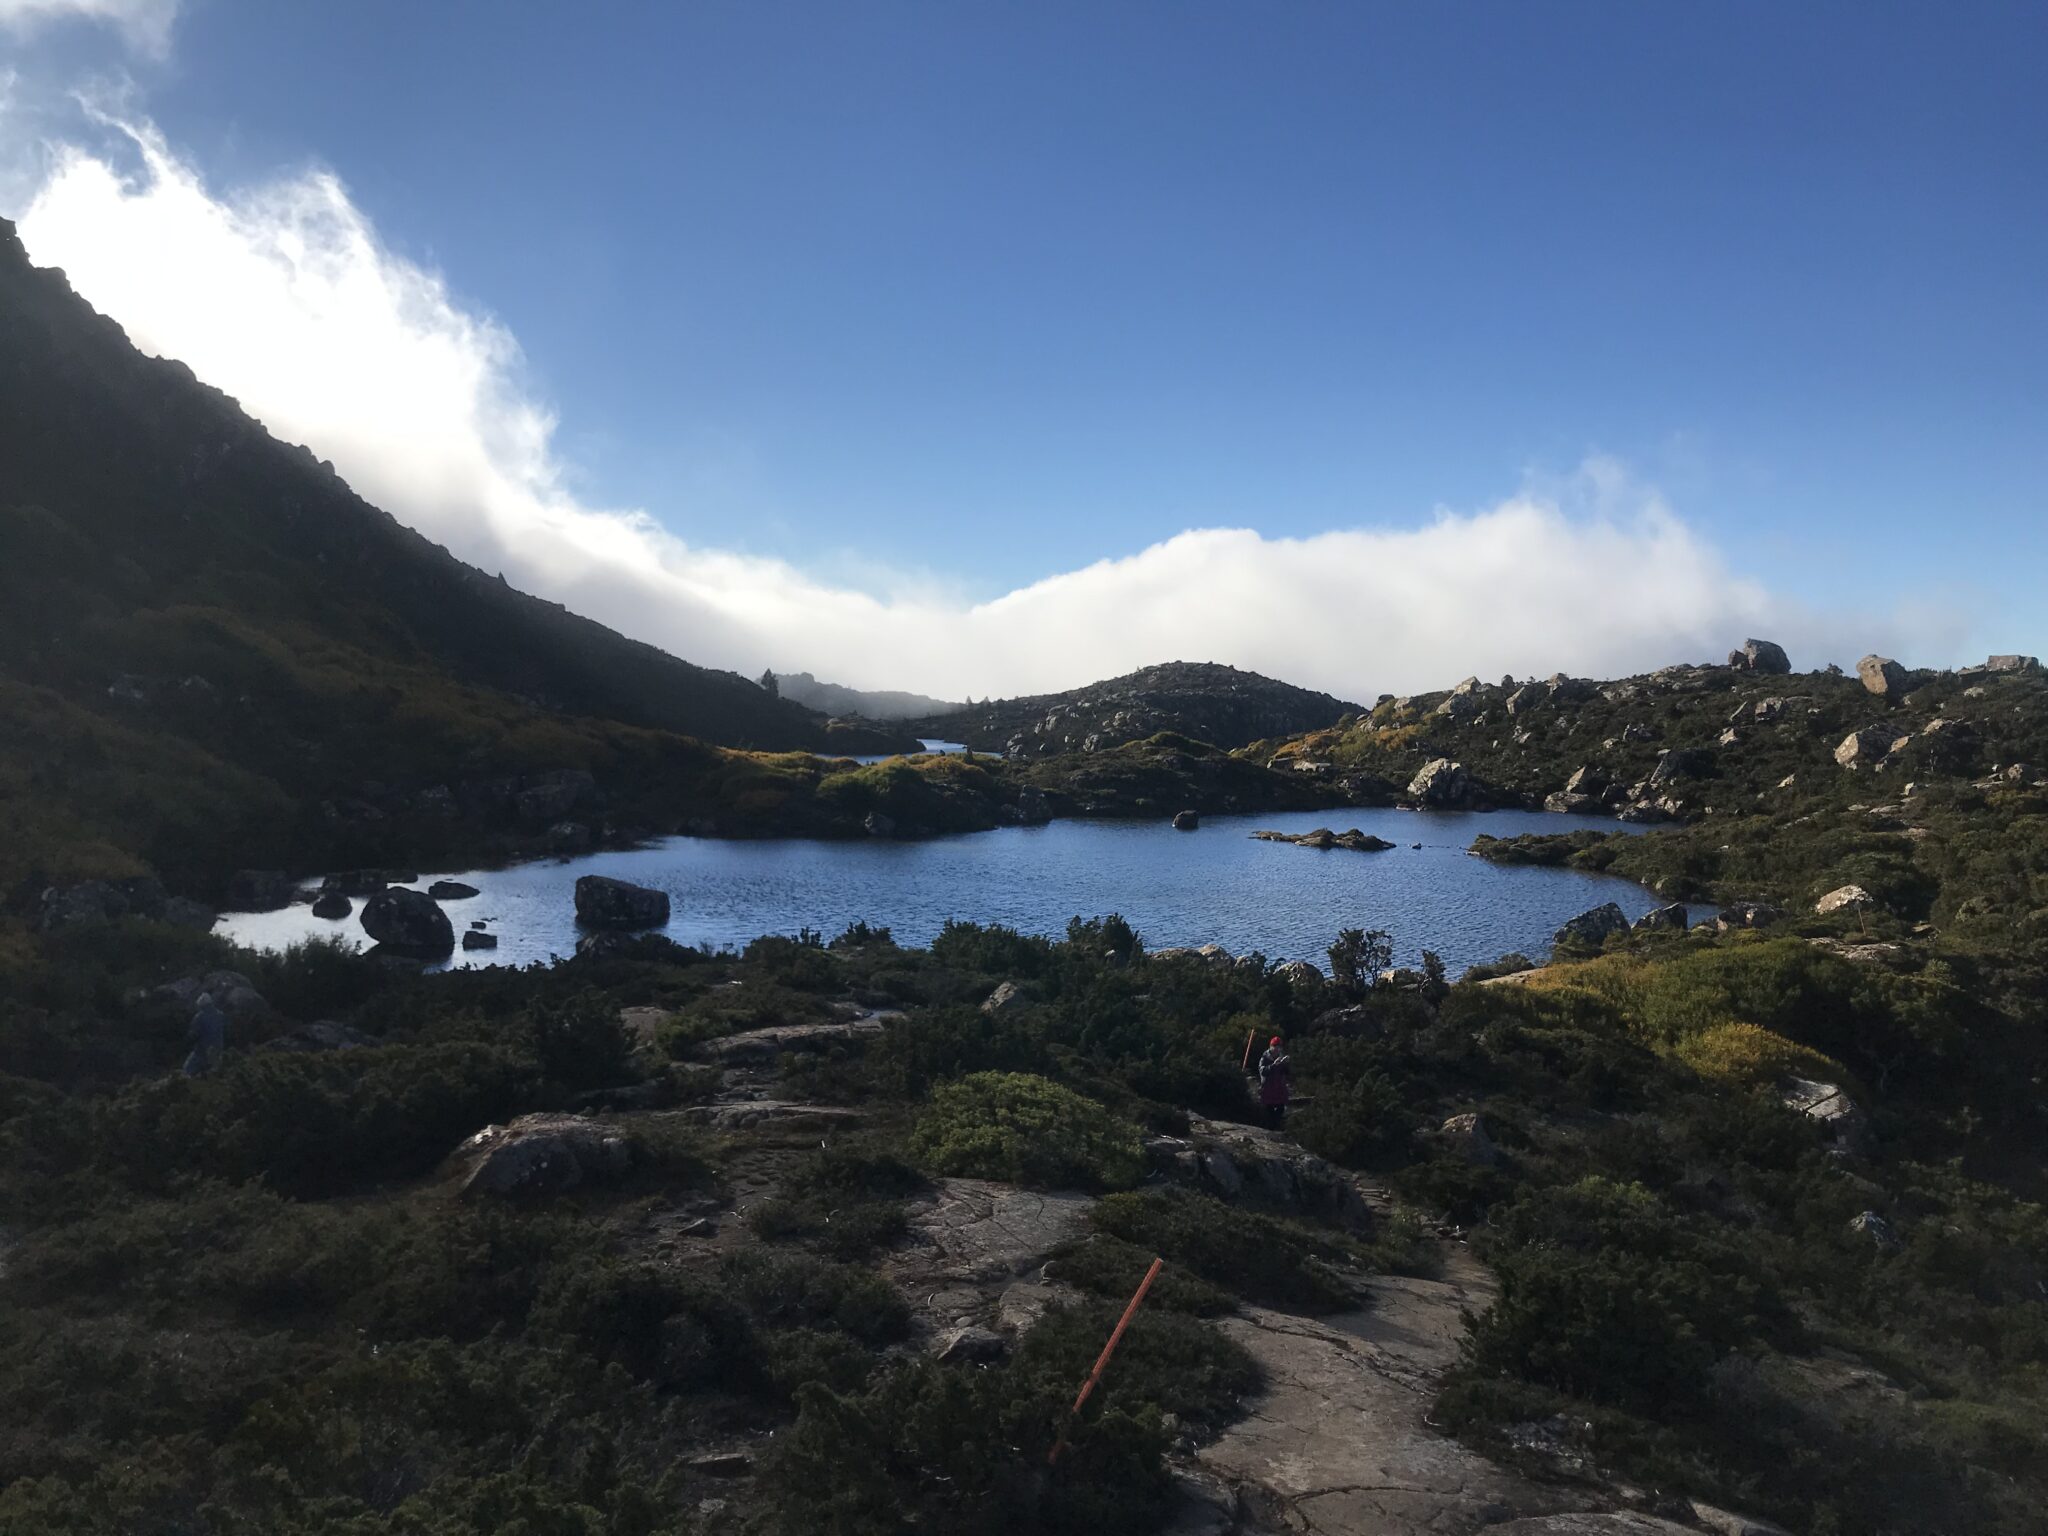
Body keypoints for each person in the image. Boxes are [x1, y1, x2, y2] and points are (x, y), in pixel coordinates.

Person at [184, 991, 227, 1077]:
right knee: (214, 1071)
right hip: (217, 1049)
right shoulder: (220, 1015)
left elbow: (193, 1034)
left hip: (202, 1050)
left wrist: (187, 1040)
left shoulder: (199, 1017)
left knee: (187, 1069)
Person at [1257, 1034, 1292, 1129]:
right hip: (1268, 1088)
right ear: (1271, 1047)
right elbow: (1262, 1071)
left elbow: (1287, 1072)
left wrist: (1286, 1064)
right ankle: (1271, 1128)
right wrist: (1273, 1065)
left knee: (1281, 1107)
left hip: (1279, 1087)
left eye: (1279, 1047)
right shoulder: (1265, 1057)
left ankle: (1276, 1126)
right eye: (1275, 1047)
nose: (1277, 1049)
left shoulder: (1281, 1056)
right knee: (1269, 1109)